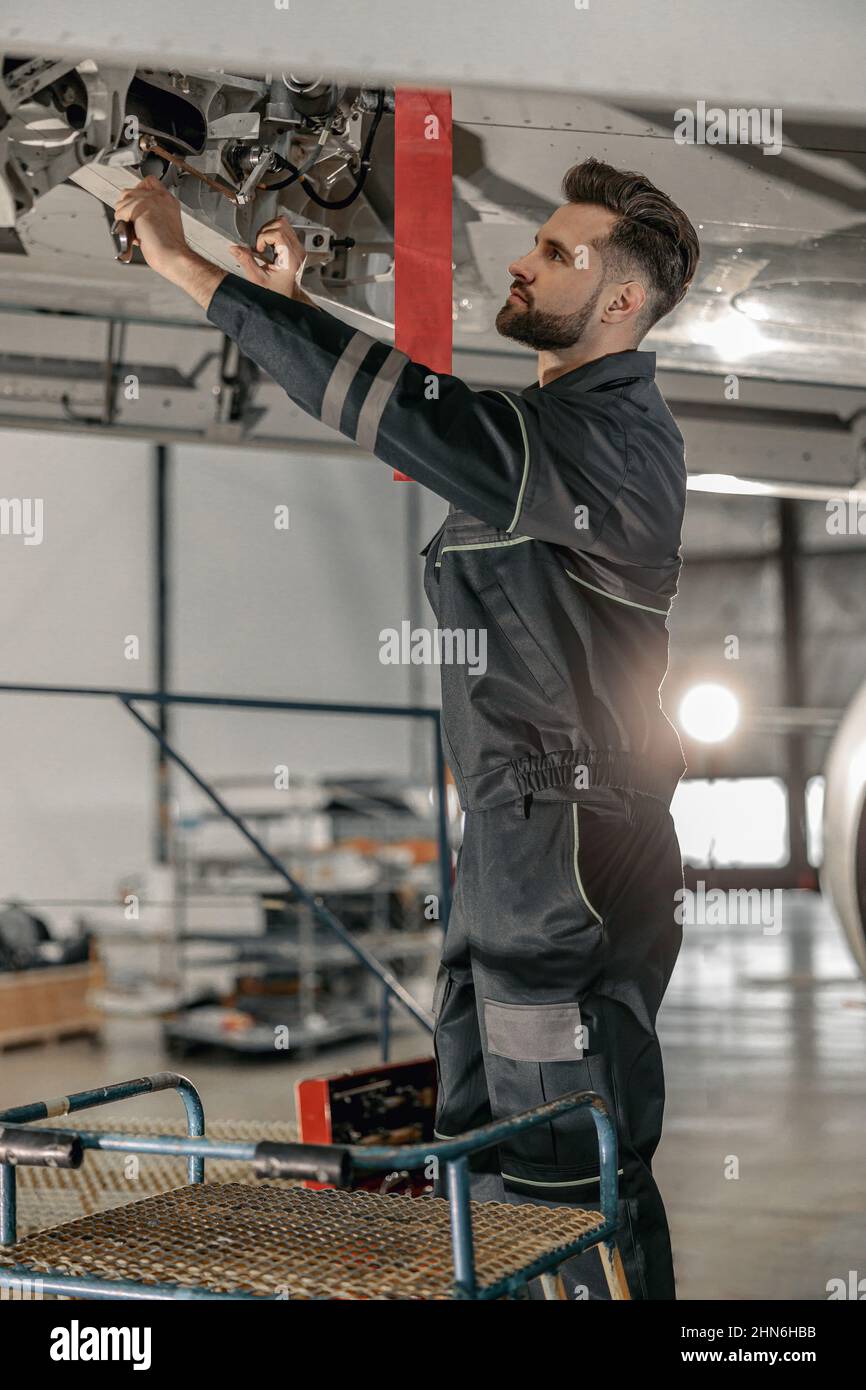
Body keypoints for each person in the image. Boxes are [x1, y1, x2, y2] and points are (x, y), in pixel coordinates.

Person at [115, 155, 700, 1300]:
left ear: (622, 303)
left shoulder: (609, 444)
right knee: (480, 1139)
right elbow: (436, 412)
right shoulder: (550, 430)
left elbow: (412, 418)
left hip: (560, 828)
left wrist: (191, 268)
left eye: (558, 252)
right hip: (516, 829)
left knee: (560, 1154)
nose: (523, 261)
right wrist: (291, 307)